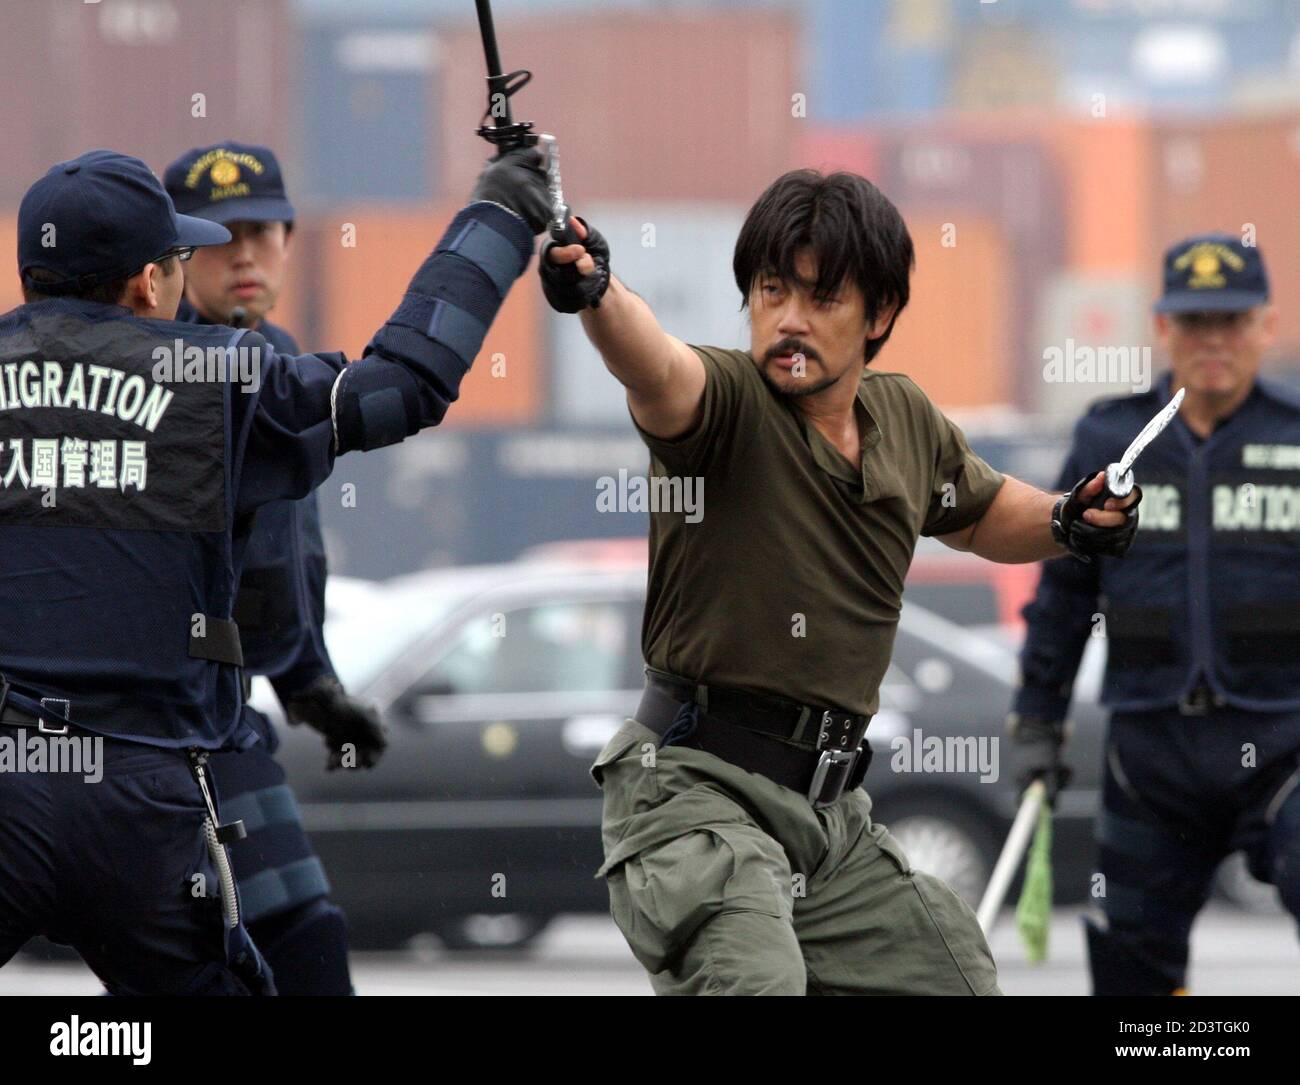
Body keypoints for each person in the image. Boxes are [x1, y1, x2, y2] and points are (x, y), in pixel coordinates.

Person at [539, 169, 1141, 995]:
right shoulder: (728, 404)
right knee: (757, 978)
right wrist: (597, 293)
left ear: (880, 314)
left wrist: (1071, 518)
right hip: (690, 792)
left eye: (822, 298)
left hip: (828, 819)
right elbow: (655, 367)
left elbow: (980, 510)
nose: (788, 319)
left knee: (955, 975)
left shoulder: (905, 420)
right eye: (771, 289)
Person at [0, 144, 551, 994]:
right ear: (151, 283)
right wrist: (500, 215)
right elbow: (403, 383)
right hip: (152, 804)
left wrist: (307, 684)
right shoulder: (220, 381)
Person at [1009, 233, 1300, 995]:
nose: (1212, 340)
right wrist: (1038, 720)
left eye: (1231, 321)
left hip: (1282, 743)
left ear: (1265, 326)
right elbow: (1065, 595)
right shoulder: (1111, 439)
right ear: (1163, 327)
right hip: (1151, 753)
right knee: (1133, 965)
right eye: (1193, 322)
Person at [162, 140, 380, 995]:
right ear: (174, 258)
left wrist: (311, 687)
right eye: (220, 238)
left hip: (229, 723)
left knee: (239, 955)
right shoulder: (166, 369)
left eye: (263, 232)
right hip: (167, 732)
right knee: (284, 945)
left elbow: (292, 563)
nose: (245, 255)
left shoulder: (285, 359)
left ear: (291, 240)